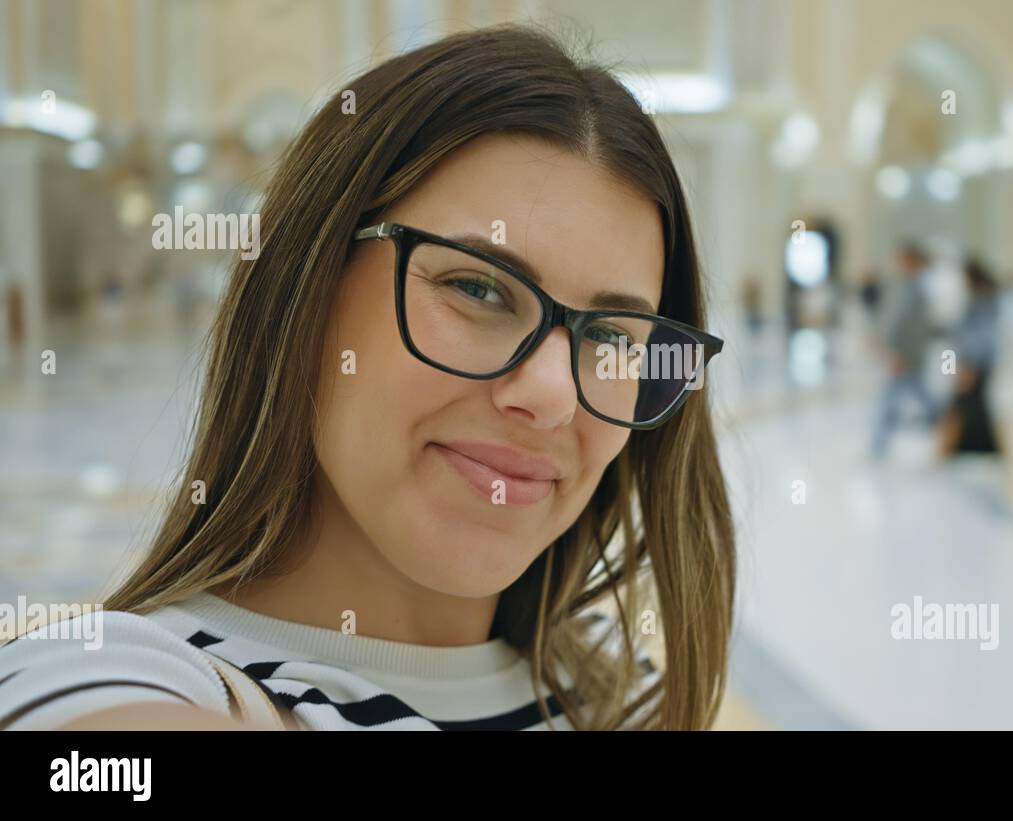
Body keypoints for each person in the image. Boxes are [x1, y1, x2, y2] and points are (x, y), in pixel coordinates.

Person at [0, 24, 736, 731]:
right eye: (477, 289)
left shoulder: (624, 695)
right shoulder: (117, 675)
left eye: (610, 334)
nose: (552, 395)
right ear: (309, 290)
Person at [870, 241, 941, 461]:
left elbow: (906, 324)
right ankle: (945, 429)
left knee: (893, 401)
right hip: (907, 356)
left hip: (907, 356)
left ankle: (878, 447)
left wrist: (897, 352)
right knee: (919, 399)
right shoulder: (908, 286)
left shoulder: (917, 288)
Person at [938, 258, 1001, 456]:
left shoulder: (981, 302)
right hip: (973, 362)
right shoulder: (980, 299)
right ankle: (974, 446)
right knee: (974, 407)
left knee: (964, 406)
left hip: (973, 364)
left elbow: (979, 336)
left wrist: (970, 366)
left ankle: (956, 447)